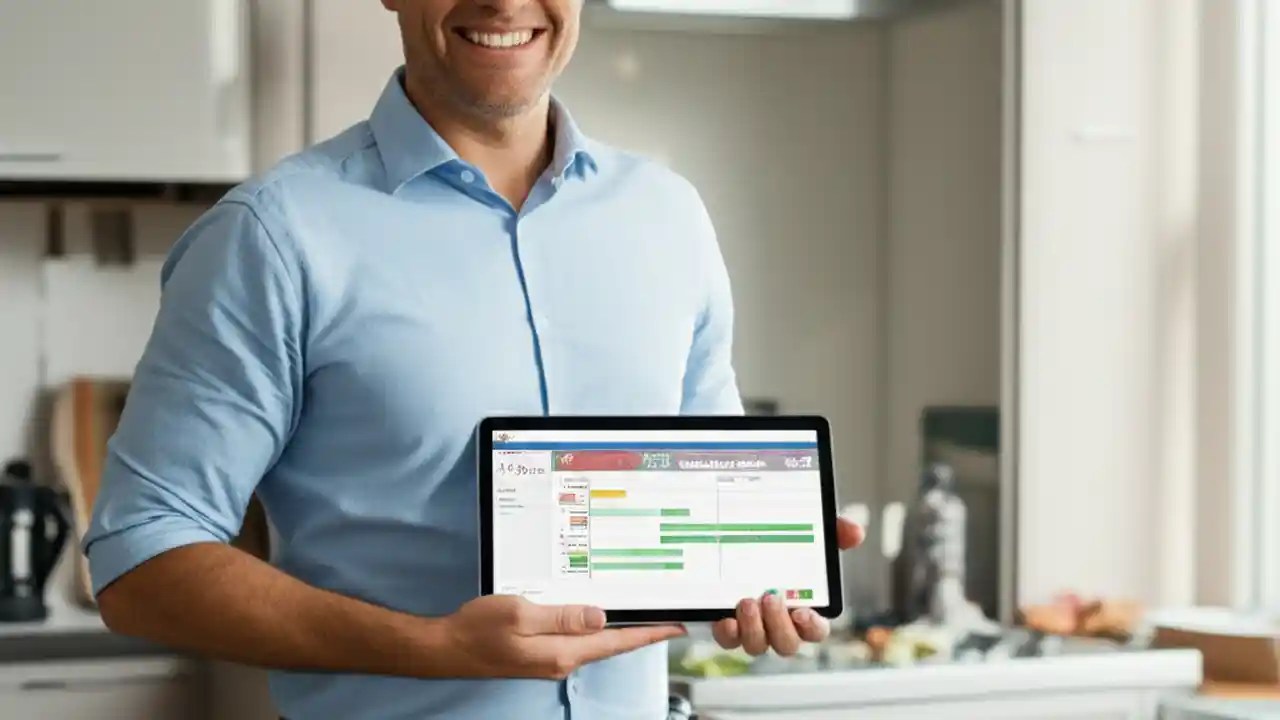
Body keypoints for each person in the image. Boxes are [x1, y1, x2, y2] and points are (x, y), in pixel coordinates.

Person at [83, 0, 864, 718]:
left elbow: (703, 511)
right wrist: (432, 650)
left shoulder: (669, 216)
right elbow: (140, 561)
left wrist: (756, 564)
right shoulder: (272, 236)